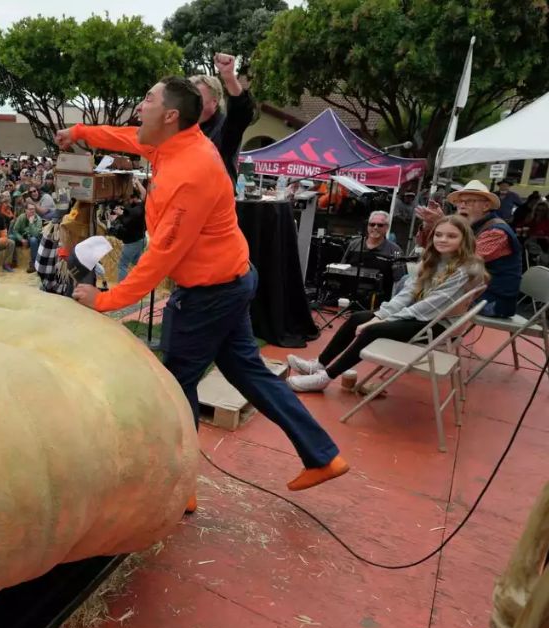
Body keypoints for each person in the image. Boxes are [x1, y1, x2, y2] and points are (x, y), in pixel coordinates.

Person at [59, 76, 348, 493]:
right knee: (249, 372)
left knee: (176, 384)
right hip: (229, 280)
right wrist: (80, 132)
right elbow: (126, 137)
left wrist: (106, 301)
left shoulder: (191, 171)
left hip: (212, 292)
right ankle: (323, 456)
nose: (140, 107)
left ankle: (180, 489)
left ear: (171, 115)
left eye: (148, 98)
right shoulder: (172, 142)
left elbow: (162, 255)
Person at [287, 215, 486, 392]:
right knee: (358, 317)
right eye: (439, 235)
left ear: (464, 240)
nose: (442, 240)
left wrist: (379, 322)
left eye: (451, 236)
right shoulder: (433, 260)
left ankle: (326, 377)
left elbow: (429, 307)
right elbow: (407, 293)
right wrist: (382, 315)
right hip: (423, 317)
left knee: (372, 330)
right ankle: (320, 364)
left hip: (437, 326)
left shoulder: (464, 269)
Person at [416, 180, 521, 317]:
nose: (462, 206)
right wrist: (430, 226)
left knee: (420, 292)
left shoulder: (497, 232)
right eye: (459, 202)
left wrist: (442, 224)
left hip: (491, 301)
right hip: (468, 290)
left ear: (486, 206)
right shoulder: (468, 227)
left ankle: (406, 330)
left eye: (469, 201)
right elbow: (430, 249)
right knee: (413, 284)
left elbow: (462, 261)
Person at [193, 53, 256, 186]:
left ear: (214, 103)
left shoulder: (223, 129)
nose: (191, 103)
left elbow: (241, 112)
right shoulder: (182, 127)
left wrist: (228, 77)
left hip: (214, 202)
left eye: (197, 99)